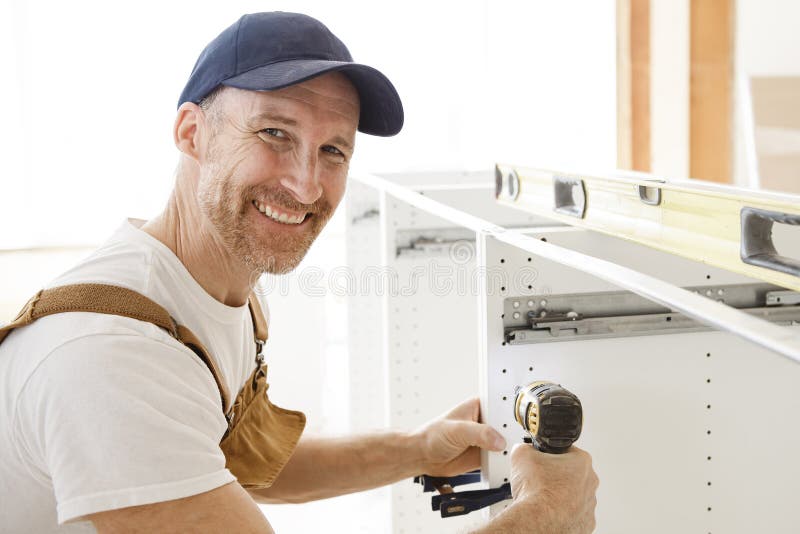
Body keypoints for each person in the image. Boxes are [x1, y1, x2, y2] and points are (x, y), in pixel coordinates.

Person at [0, 12, 598, 533]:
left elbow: (236, 457)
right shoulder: (112, 356)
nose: (306, 184)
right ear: (191, 132)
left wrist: (417, 449)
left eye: (333, 150)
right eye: (274, 133)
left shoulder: (217, 287)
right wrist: (544, 519)